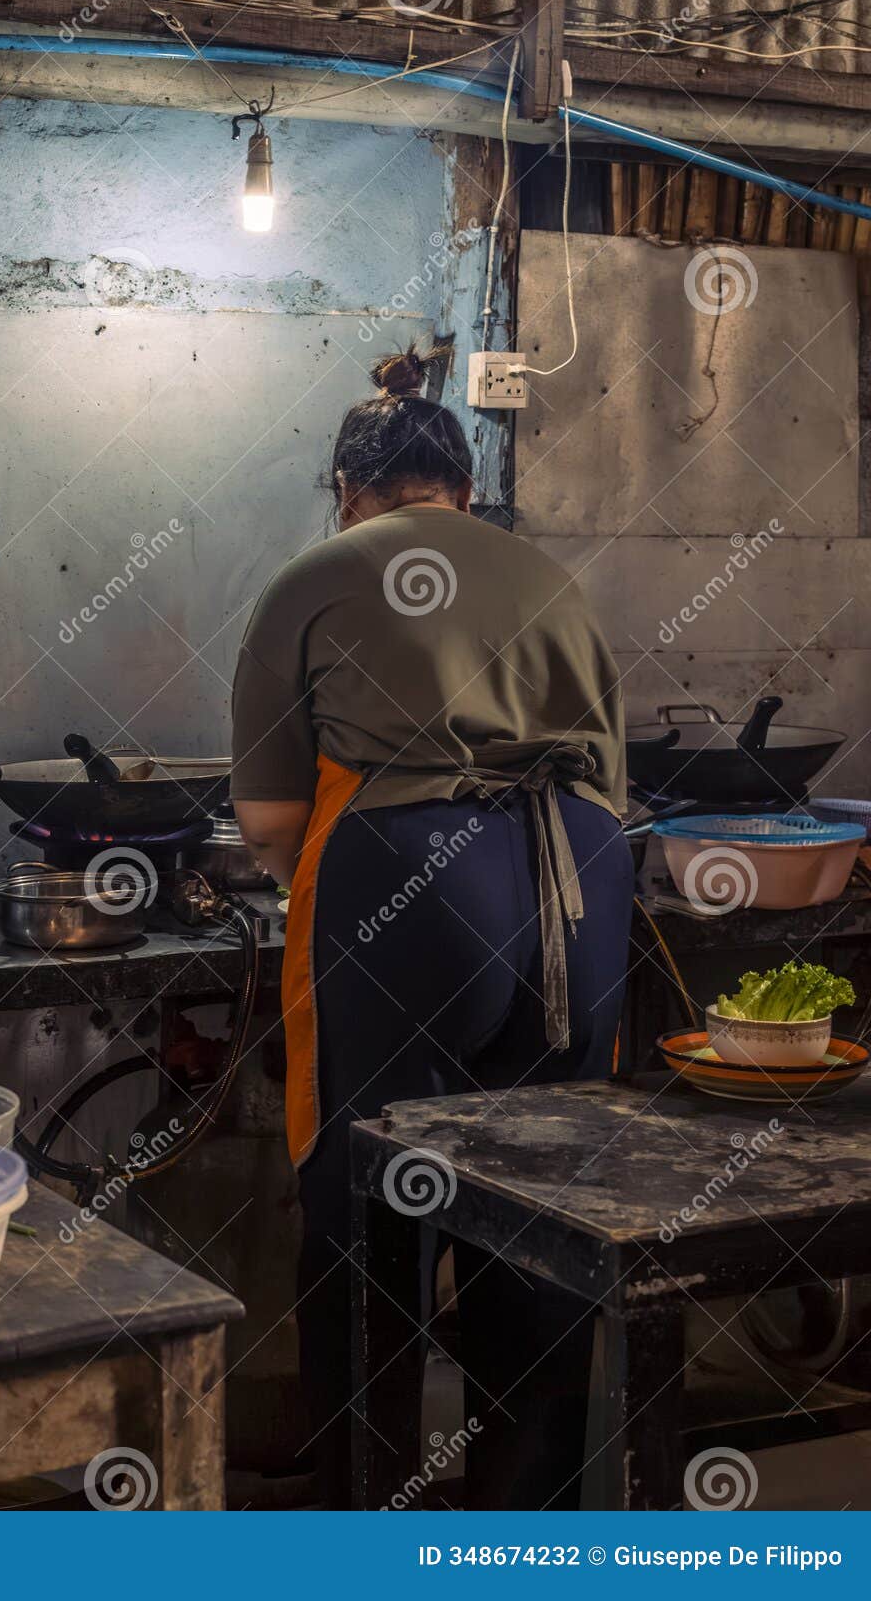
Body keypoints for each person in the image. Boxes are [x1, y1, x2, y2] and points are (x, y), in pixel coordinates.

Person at [229, 344, 634, 1509]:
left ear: (348, 488)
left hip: (411, 884)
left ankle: (374, 1512)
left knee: (367, 1190)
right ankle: (527, 1514)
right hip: (581, 883)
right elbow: (612, 778)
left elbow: (268, 820)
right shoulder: (549, 578)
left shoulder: (316, 572)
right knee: (543, 1198)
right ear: (461, 486)